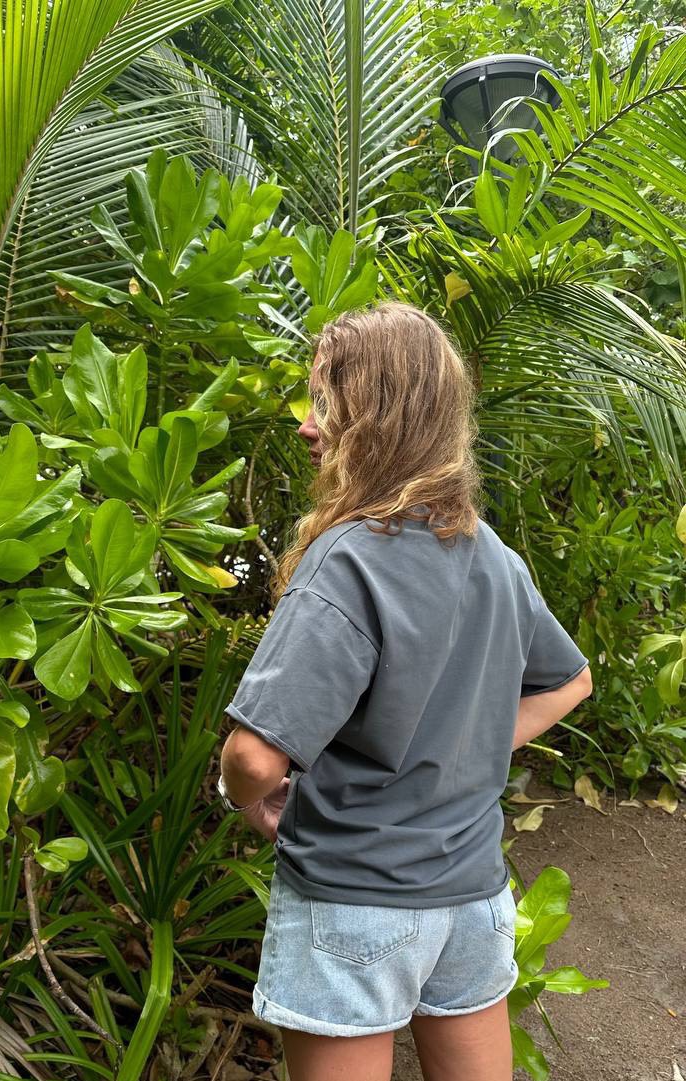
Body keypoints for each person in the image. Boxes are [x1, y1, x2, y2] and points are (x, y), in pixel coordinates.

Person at [219, 300, 593, 1081]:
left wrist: (246, 798)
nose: (308, 425)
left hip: (354, 904)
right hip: (473, 900)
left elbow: (254, 755)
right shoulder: (494, 557)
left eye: (327, 402)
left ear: (374, 417)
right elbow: (572, 680)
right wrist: (471, 745)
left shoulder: (350, 559)